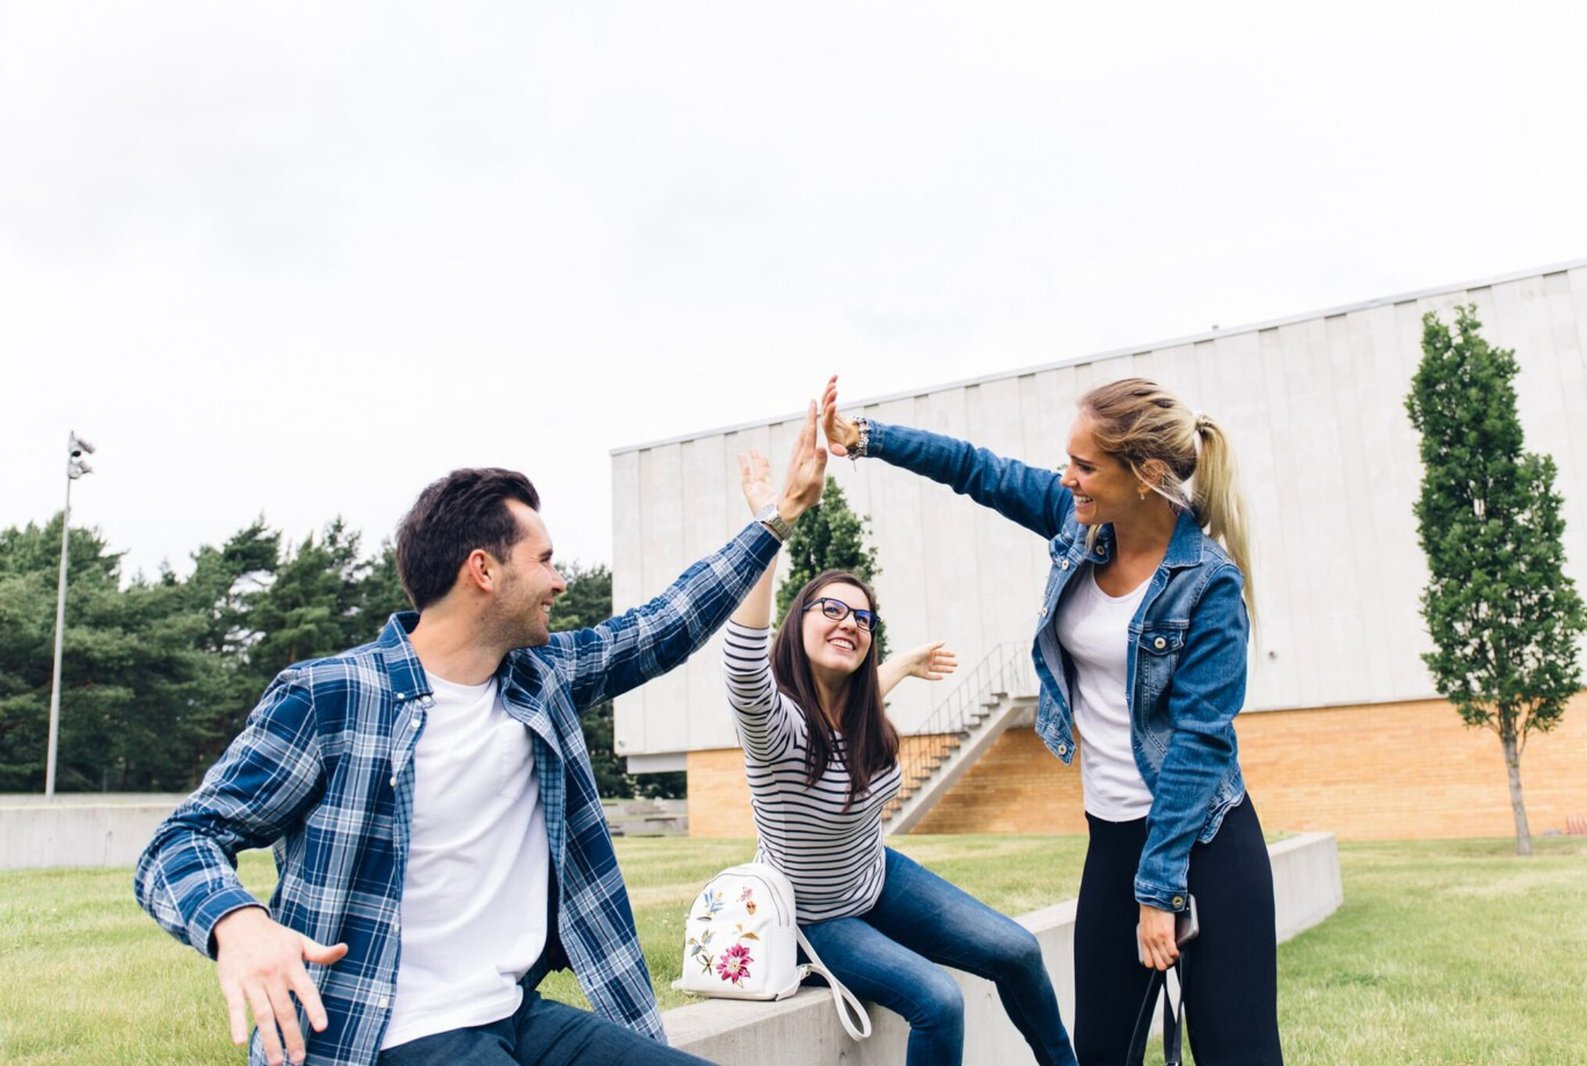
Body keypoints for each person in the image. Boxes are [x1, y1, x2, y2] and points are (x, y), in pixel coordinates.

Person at [134, 408, 830, 1066]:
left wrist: (781, 515)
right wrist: (238, 923)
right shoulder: (333, 696)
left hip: (511, 1014)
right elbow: (180, 841)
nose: (560, 581)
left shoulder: (538, 678)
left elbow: (664, 624)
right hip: (386, 1032)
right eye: (546, 560)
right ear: (483, 570)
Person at [821, 375, 1282, 1065]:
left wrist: (1159, 892)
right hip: (1113, 841)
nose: (1067, 479)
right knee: (1099, 1052)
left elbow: (1200, 743)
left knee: (1237, 1054)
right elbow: (978, 470)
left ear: (1146, 473)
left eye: (1086, 466)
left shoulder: (1208, 584)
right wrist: (867, 439)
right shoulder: (1080, 526)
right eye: (1067, 462)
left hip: (1205, 848)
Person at [719, 447, 1078, 1066]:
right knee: (937, 1001)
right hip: (817, 915)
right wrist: (769, 525)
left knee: (1017, 951)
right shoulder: (776, 726)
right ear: (796, 623)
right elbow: (743, 666)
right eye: (830, 608)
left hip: (878, 877)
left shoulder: (855, 715)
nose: (848, 623)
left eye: (862, 617)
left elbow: (859, 695)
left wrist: (906, 665)